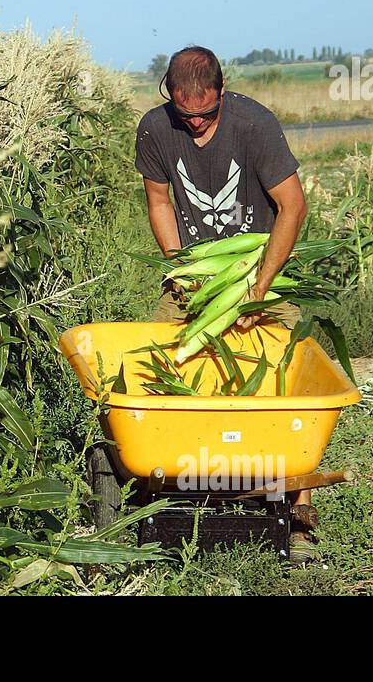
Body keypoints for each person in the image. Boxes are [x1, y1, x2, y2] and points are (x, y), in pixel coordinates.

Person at [133, 45, 318, 562]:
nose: (194, 125)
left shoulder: (255, 124)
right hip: (196, 276)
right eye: (184, 114)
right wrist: (181, 269)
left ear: (222, 90)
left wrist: (260, 286)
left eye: (206, 114)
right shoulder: (154, 128)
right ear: (168, 94)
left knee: (286, 375)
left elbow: (292, 206)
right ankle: (164, 484)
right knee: (160, 364)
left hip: (258, 270)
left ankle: (298, 509)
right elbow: (159, 201)